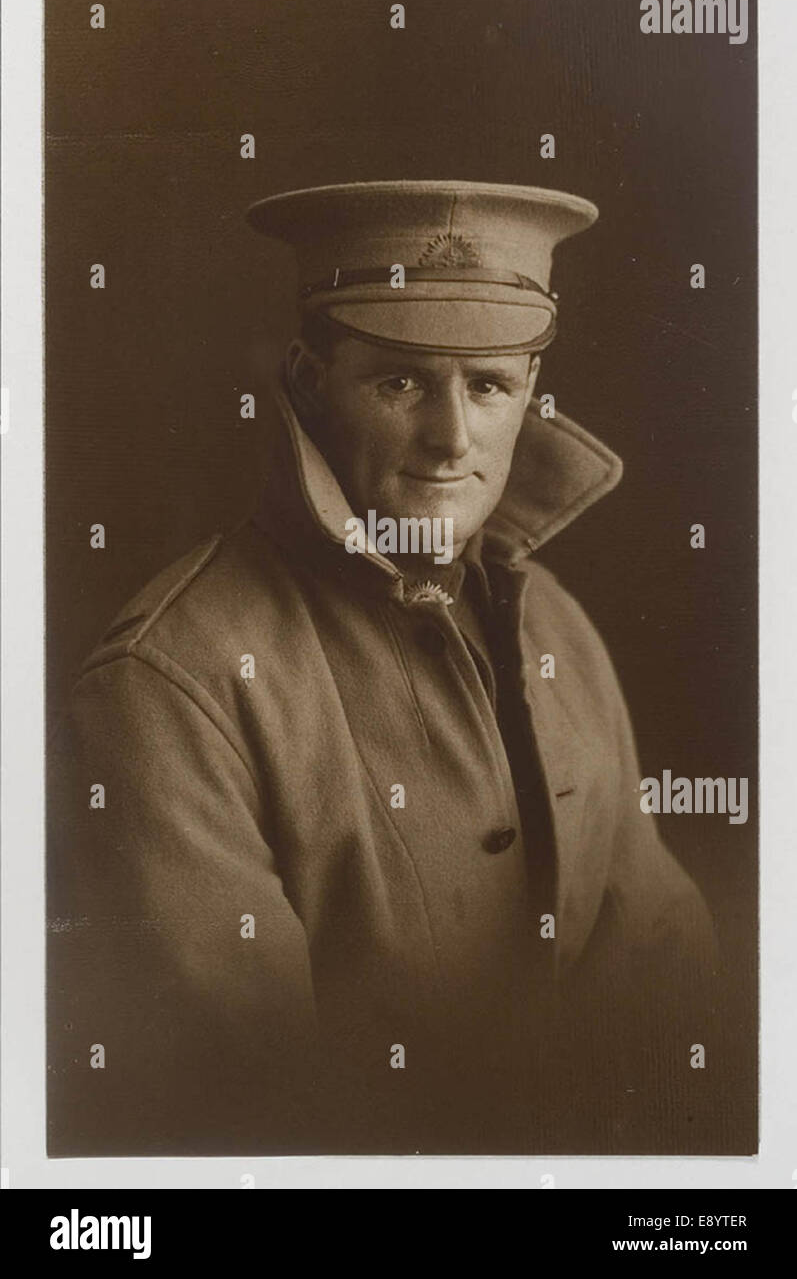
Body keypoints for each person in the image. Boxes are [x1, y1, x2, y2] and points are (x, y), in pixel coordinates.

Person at [48, 180, 719, 1157]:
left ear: (529, 390)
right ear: (308, 380)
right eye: (401, 383)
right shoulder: (164, 687)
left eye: (488, 385)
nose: (452, 439)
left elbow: (668, 990)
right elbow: (255, 1112)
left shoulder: (558, 632)